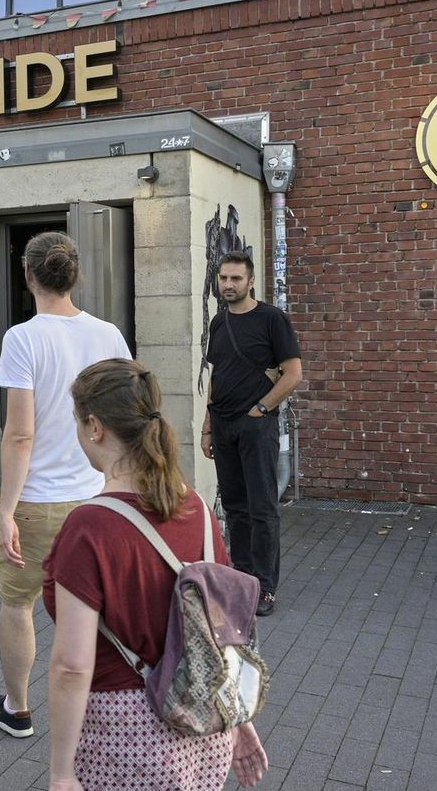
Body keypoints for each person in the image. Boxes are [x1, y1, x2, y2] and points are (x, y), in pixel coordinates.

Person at [46, 357, 269, 790]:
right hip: (204, 723)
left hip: (126, 735)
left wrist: (62, 772)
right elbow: (219, 633)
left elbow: (72, 667)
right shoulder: (198, 509)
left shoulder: (89, 527)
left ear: (95, 427)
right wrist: (236, 719)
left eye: (77, 422)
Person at [0, 231, 131, 738]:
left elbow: (20, 434)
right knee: (95, 609)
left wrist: (6, 510)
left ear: (28, 274)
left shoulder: (23, 338)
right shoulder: (109, 335)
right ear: (75, 275)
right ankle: (106, 709)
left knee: (18, 604)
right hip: (99, 498)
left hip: (38, 502)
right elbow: (128, 415)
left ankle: (18, 708)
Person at [200, 251, 302, 617]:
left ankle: (265, 587)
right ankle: (241, 577)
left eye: (236, 279)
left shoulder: (272, 319)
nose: (228, 285)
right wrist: (208, 426)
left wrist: (261, 408)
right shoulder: (219, 322)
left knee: (262, 508)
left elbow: (293, 374)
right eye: (223, 278)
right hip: (223, 425)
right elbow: (217, 375)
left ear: (251, 281)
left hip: (256, 427)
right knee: (235, 507)